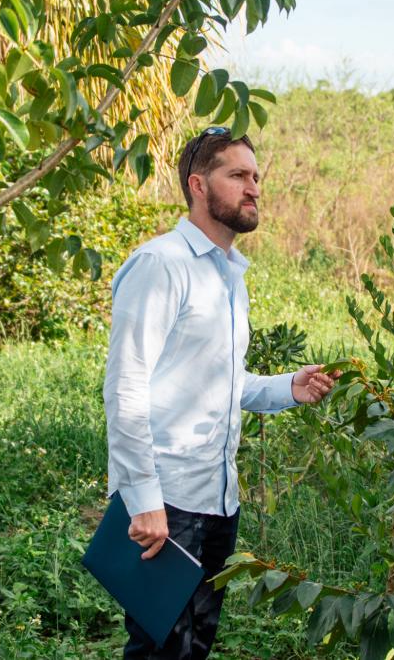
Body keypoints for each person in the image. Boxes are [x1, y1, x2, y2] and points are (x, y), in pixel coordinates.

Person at [103, 127, 339, 659]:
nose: (253, 188)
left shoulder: (230, 275)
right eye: (237, 175)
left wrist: (287, 387)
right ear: (199, 185)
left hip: (217, 495)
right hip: (166, 497)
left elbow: (219, 384)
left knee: (195, 644)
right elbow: (126, 387)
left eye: (255, 176)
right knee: (159, 647)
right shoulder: (161, 264)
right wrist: (142, 500)